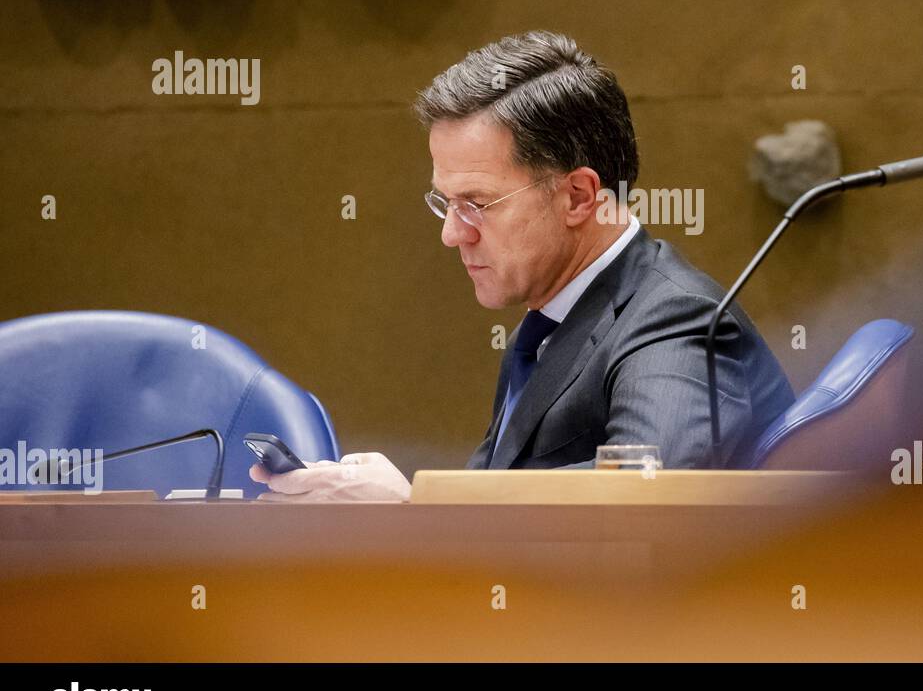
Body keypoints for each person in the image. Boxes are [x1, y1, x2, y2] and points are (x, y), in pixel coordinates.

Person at [251, 31, 795, 502]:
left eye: (476, 203)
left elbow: (650, 490)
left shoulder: (676, 318)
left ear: (579, 197)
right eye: (445, 203)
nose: (452, 233)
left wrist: (417, 504)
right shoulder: (549, 321)